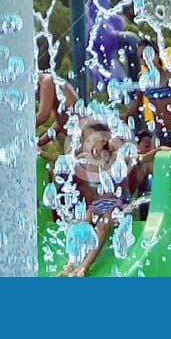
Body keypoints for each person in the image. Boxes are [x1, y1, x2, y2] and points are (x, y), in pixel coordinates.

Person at [61, 118, 132, 276]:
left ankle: (85, 266)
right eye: (87, 141)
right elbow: (68, 161)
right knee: (81, 225)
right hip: (99, 204)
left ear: (104, 139)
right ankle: (71, 263)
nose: (90, 145)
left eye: (94, 140)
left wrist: (160, 149)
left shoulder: (114, 156)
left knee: (102, 225)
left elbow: (136, 154)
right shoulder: (90, 161)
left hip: (119, 205)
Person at [35, 38, 76, 161]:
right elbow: (60, 122)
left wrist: (19, 130)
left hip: (84, 134)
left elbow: (43, 115)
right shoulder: (56, 82)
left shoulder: (47, 80)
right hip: (78, 134)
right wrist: (40, 141)